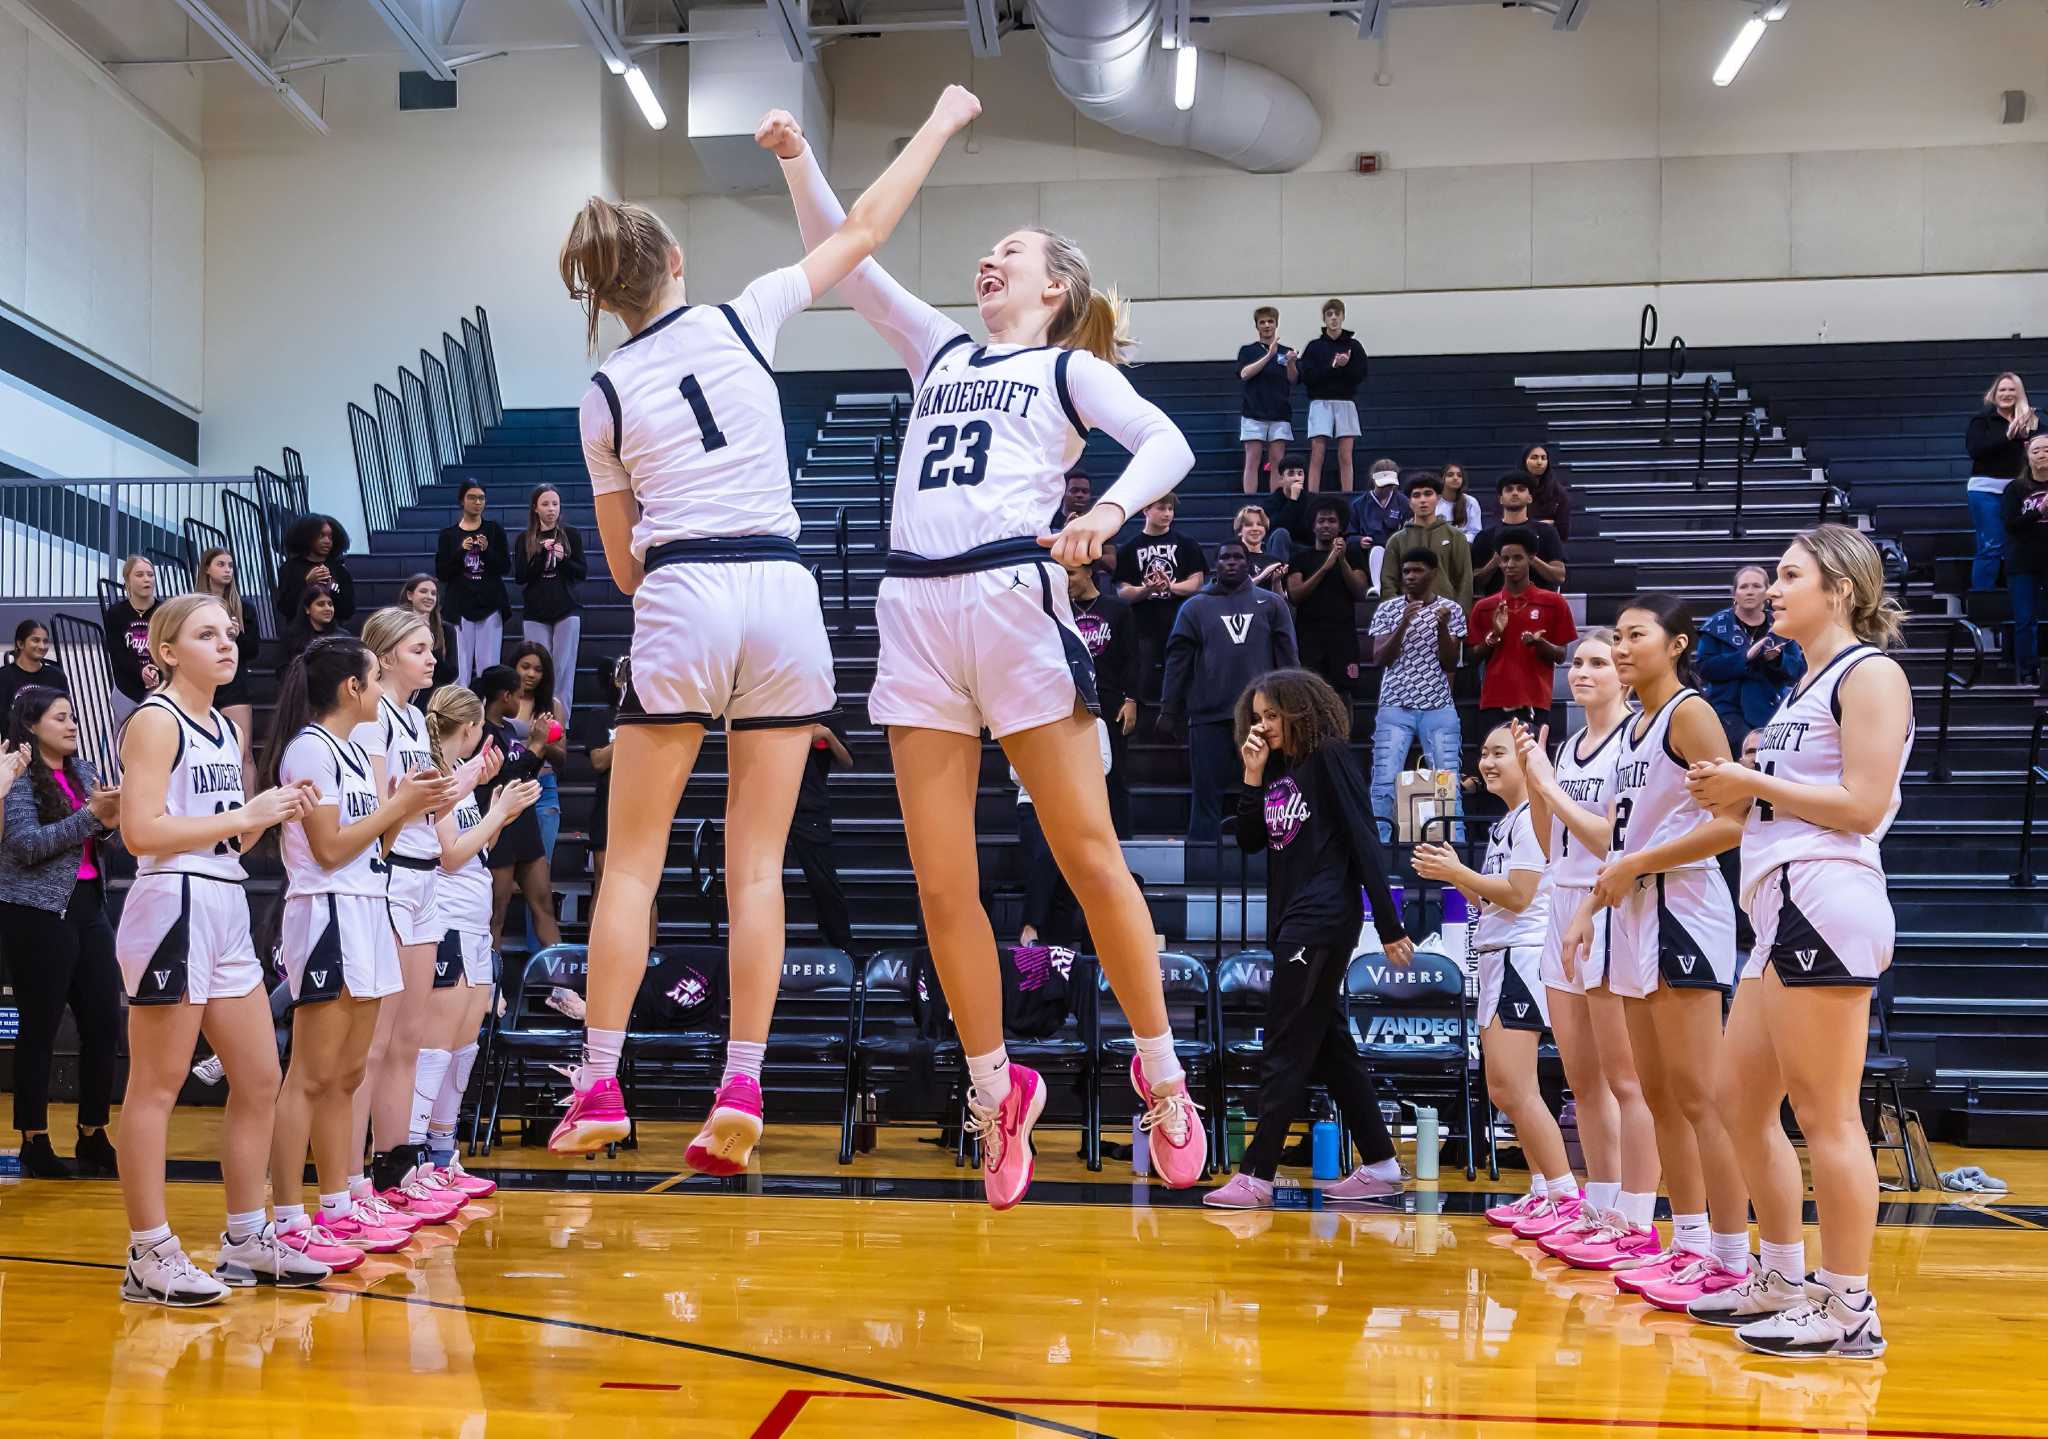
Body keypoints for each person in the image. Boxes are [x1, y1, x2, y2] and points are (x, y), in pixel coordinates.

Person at [768, 102, 1211, 1207]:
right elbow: (849, 258)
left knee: (1087, 855)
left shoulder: (1065, 370)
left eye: (1007, 251)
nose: (987, 260)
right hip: (914, 609)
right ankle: (991, 1087)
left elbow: (1170, 439)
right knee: (938, 881)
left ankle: (1161, 1074)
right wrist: (797, 158)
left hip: (1014, 597)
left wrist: (1104, 511)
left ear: (1052, 286)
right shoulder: (939, 345)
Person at [549, 91, 977, 1182]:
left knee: (632, 863)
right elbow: (865, 229)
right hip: (784, 593)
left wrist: (671, 627)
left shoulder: (601, 391)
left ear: (603, 291)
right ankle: (740, 1077)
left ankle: (598, 1077)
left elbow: (620, 561)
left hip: (685, 584)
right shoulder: (744, 314)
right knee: (758, 865)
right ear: (676, 258)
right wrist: (918, 125)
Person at [1681, 525, 1913, 1358]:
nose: (1772, 590)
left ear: (1841, 588)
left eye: (1789, 575)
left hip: (1829, 894)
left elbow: (1860, 803)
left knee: (1826, 1115)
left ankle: (1850, 1303)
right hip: (1777, 904)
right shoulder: (1801, 683)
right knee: (1737, 1100)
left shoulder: (1871, 673)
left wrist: (1750, 779)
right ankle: (1780, 1273)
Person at [111, 594, 323, 1305]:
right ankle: (147, 1252)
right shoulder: (154, 719)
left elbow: (225, 835)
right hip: (172, 900)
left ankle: (244, 1237)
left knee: (260, 1078)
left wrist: (275, 809)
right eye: (206, 634)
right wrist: (245, 812)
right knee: (158, 1085)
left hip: (224, 897)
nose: (226, 644)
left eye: (229, 632)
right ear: (167, 650)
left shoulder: (223, 728)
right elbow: (140, 831)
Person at [1554, 595, 1751, 1309]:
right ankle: (1690, 1243)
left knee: (1701, 1096)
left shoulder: (1689, 712)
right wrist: (1588, 906)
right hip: (1635, 910)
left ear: (1677, 644)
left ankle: (1733, 1256)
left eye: (1636, 635)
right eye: (1618, 636)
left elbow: (1733, 820)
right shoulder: (1636, 725)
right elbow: (1621, 839)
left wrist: (1637, 865)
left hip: (1685, 908)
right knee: (1661, 1094)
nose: (1624, 647)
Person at [264, 635, 457, 1268]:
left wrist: (408, 806)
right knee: (310, 1077)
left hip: (366, 908)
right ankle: (287, 1218)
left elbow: (366, 841)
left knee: (347, 1076)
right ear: (352, 688)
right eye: (374, 678)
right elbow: (328, 848)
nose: (379, 691)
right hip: (326, 914)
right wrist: (397, 807)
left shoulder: (346, 750)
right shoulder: (308, 751)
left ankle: (338, 1204)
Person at [1204, 669, 1414, 1208]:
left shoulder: (1331, 758)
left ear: (1303, 711)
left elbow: (1366, 839)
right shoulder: (1277, 770)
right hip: (1291, 920)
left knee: (1285, 1041)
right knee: (1328, 1044)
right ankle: (1382, 1163)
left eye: (1273, 715)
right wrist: (1251, 777)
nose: (1265, 726)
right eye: (1257, 717)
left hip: (1322, 917)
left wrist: (1389, 926)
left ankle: (1257, 1175)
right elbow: (1251, 840)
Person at [1512, 631, 1661, 1255]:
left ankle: (1638, 1212)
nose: (1583, 671)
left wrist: (1548, 789)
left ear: (1623, 676)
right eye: (1577, 662)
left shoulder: (1631, 744)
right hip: (1560, 900)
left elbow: (1612, 843)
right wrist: (1534, 777)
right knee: (1583, 1082)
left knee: (1627, 1081)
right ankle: (1599, 1205)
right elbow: (1551, 845)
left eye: (1598, 662)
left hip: (1608, 903)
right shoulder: (1569, 745)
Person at [1414, 725, 1580, 1224]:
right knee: (1502, 1089)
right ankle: (1539, 1187)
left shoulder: (1534, 819)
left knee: (1517, 1088)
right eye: (1483, 753)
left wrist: (1457, 873)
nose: (1486, 762)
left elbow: (1520, 895)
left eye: (1498, 753)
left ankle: (1565, 1195)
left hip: (1520, 956)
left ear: (1527, 761)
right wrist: (1459, 878)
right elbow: (1491, 897)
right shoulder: (1508, 822)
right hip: (1496, 952)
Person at [348, 607, 478, 1225]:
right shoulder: (372, 720)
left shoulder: (410, 720)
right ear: (386, 654)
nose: (432, 659)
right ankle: (354, 1182)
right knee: (374, 1045)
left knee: (408, 1039)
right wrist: (428, 794)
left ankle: (400, 1166)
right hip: (393, 873)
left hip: (427, 876)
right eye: (420, 649)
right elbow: (380, 815)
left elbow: (421, 807)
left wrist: (457, 787)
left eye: (432, 648)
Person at [0, 688, 121, 1180]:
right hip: (36, 912)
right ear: (32, 726)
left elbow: (100, 837)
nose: (72, 726)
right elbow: (26, 845)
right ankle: (33, 1138)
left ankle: (93, 1132)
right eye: (61, 718)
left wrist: (110, 820)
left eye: (73, 717)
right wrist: (91, 817)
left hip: (90, 906)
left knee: (103, 1023)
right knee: (40, 1026)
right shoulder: (18, 778)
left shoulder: (86, 771)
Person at [426, 684, 541, 1194]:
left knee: (463, 1049)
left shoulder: (464, 784)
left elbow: (475, 851)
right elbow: (449, 855)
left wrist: (499, 813)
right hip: (445, 922)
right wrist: (496, 814)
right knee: (435, 1048)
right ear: (471, 729)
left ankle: (443, 1153)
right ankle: (417, 1159)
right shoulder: (438, 780)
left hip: (472, 924)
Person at [1162, 541, 1299, 842]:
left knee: (1269, 790)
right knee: (1206, 796)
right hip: (1209, 714)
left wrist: (1293, 707)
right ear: (1215, 565)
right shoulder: (1195, 606)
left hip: (1259, 719)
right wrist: (1168, 709)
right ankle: (1201, 863)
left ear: (1249, 564)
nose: (1232, 562)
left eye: (1238, 557)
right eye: (1225, 558)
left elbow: (1288, 660)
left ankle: (1272, 855)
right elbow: (1178, 662)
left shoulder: (1272, 603)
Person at [1366, 550, 1467, 843]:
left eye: (1417, 571)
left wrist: (1442, 626)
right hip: (1395, 704)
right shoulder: (1389, 609)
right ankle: (1378, 849)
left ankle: (1455, 848)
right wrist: (1404, 623)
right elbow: (1380, 658)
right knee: (1384, 780)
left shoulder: (1451, 610)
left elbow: (1450, 662)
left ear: (1433, 573)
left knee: (1447, 781)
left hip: (1438, 704)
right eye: (1406, 571)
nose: (1410, 577)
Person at [474, 665, 560, 956]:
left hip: (524, 823)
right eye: (519, 696)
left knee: (544, 903)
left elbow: (526, 774)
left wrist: (538, 745)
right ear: (505, 695)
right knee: (496, 913)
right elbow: (502, 777)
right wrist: (535, 744)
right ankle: (490, 992)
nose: (521, 703)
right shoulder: (481, 732)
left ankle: (561, 989)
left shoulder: (508, 729)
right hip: (499, 825)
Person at [1468, 528, 1578, 738]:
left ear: (1530, 559)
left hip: (1534, 699)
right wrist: (1494, 637)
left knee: (1531, 766)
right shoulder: (1484, 606)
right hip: (1493, 700)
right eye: (1505, 559)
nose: (1510, 564)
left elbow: (1561, 655)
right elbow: (1472, 657)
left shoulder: (1554, 603)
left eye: (1517, 558)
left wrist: (1540, 643)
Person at [1012, 719, 1111, 950]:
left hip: (1076, 805)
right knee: (1047, 853)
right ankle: (1030, 926)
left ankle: (1059, 951)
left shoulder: (1095, 724)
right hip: (1034, 803)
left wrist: (1056, 766)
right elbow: (1015, 772)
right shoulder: (1029, 719)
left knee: (1068, 876)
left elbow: (1104, 765)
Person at [1114, 493, 1208, 705]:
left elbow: (1197, 583)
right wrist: (1147, 590)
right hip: (1143, 624)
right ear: (1145, 510)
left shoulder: (1187, 544)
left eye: (1170, 509)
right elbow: (1123, 591)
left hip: (1179, 622)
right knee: (1143, 675)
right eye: (1161, 508)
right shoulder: (1129, 548)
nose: (1167, 514)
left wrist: (1169, 586)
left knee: (1180, 675)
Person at [1068, 560, 1139, 838]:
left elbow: (1132, 658)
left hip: (1110, 700)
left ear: (1089, 573)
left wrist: (1131, 698)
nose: (1067, 580)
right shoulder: (1059, 611)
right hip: (1070, 701)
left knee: (1116, 772)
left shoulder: (1117, 609)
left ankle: (1121, 838)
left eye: (1071, 573)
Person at [1698, 565, 1807, 745]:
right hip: (1726, 713)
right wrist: (1745, 657)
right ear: (1734, 593)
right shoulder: (1716, 626)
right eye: (1744, 587)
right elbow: (1705, 668)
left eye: (1756, 586)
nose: (1750, 592)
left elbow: (1797, 671)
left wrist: (1777, 660)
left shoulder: (1782, 624)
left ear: (1767, 592)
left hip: (1772, 711)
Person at [1285, 498, 1370, 705]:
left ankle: (1342, 738)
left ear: (1340, 526)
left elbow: (1360, 592)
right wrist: (1325, 566)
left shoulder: (1353, 555)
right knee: (1309, 695)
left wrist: (1340, 561)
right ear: (1313, 525)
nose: (1325, 525)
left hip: (1343, 637)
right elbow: (1295, 595)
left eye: (1331, 521)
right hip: (1309, 637)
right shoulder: (1300, 558)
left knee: (1342, 696)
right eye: (1321, 521)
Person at [518, 485, 588, 719]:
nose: (551, 509)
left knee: (563, 669)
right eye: (545, 504)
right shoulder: (524, 539)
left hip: (566, 609)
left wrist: (563, 559)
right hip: (536, 611)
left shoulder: (571, 535)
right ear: (535, 509)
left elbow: (581, 573)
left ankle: (561, 723)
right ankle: (535, 717)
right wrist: (540, 556)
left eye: (555, 504)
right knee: (536, 666)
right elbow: (520, 577)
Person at [789, 718, 856, 955]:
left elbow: (848, 759)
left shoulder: (827, 707)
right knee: (761, 877)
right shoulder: (775, 699)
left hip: (810, 807)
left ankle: (841, 950)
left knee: (823, 882)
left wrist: (827, 736)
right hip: (771, 803)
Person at [1965, 372, 2038, 591]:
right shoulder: (1982, 421)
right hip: (1985, 490)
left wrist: (2027, 432)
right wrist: (2008, 435)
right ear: (1994, 394)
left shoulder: (2033, 422)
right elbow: (1976, 450)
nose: (2006, 394)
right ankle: (1983, 601)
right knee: (1991, 545)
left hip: (2019, 490)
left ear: (2020, 393)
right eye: (2002, 390)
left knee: (2022, 545)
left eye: (2011, 389)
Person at [436, 482, 512, 686]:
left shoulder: (494, 530)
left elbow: (505, 567)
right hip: (460, 606)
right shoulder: (448, 535)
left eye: (481, 498)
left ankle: (486, 712)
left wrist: (487, 550)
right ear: (462, 500)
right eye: (472, 497)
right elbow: (443, 572)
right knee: (461, 668)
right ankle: (461, 713)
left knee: (489, 667)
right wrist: (461, 550)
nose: (477, 502)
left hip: (490, 603)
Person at [195, 548, 258, 793]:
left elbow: (253, 651)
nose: (227, 570)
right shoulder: (194, 608)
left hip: (234, 684)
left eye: (230, 566)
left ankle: (251, 818)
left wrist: (235, 635)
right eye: (221, 564)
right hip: (202, 684)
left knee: (244, 752)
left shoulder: (244, 607)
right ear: (207, 569)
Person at [508, 641, 569, 865]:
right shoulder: (499, 701)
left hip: (544, 789)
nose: (531, 674)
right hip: (508, 788)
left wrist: (541, 742)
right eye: (525, 666)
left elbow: (562, 758)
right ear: (514, 667)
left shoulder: (553, 706)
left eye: (538, 669)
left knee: (540, 869)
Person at [1297, 300, 1367, 493]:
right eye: (1330, 314)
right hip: (1320, 402)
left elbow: (1360, 375)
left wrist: (1347, 366)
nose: (1334, 318)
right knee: (1317, 453)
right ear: (1324, 318)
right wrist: (1333, 367)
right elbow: (1308, 377)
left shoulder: (1354, 346)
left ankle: (1348, 495)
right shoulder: (1314, 347)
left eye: (1337, 314)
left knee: (1345, 455)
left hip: (1345, 402)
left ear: (1343, 316)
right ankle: (1312, 495)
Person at [1378, 472, 1472, 612]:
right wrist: (1396, 615)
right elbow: (1388, 582)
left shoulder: (1456, 536)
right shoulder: (1396, 540)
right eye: (1416, 495)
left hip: (1446, 614)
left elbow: (1465, 580)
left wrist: (1460, 617)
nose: (1423, 500)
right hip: (1408, 616)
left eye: (1428, 494)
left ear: (1438, 498)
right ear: (1409, 502)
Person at [2001, 432, 2048, 685]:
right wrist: (2039, 511)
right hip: (2022, 562)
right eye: (2037, 450)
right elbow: (2011, 525)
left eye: (2047, 450)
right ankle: (2028, 671)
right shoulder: (2015, 489)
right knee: (2025, 620)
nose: (2042, 455)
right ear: (2028, 457)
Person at [1472, 473, 1566, 597]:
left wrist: (1531, 558)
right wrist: (1494, 563)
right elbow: (1473, 582)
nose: (1515, 493)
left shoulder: (1547, 532)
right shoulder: (1485, 536)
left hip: (1539, 607)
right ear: (1500, 499)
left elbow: (1559, 576)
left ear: (1530, 498)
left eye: (1521, 489)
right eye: (1509, 489)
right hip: (1498, 606)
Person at [1237, 306, 1297, 495]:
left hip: (1279, 414)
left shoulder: (1286, 351)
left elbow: (1293, 379)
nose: (1267, 325)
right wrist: (1269, 355)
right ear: (1257, 326)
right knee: (1252, 460)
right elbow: (1244, 374)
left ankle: (1275, 502)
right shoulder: (1247, 351)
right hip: (1253, 413)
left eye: (1270, 321)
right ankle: (1249, 504)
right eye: (1262, 322)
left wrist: (1292, 363)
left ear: (1276, 324)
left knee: (1277, 462)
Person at [101, 555, 161, 729]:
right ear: (127, 580)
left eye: (150, 575)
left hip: (158, 688)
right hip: (126, 690)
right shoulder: (116, 613)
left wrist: (156, 672)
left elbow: (171, 649)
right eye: (140, 575)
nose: (146, 579)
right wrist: (140, 670)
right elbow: (117, 652)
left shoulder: (165, 611)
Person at [275, 515, 358, 631]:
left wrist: (331, 588)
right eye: (321, 536)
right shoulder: (290, 568)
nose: (327, 541)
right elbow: (285, 607)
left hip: (333, 632)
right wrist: (306, 583)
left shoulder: (339, 570)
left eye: (330, 537)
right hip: (300, 634)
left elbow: (348, 610)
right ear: (307, 538)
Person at [399, 574, 459, 692]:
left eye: (433, 593)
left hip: (433, 695)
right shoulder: (396, 626)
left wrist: (430, 647)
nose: (429, 597)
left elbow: (451, 674)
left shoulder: (447, 629)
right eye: (423, 591)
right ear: (410, 595)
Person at [0, 619, 67, 719]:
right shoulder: (4, 676)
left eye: (45, 641)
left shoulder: (57, 675)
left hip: (51, 733)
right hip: (15, 734)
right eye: (35, 640)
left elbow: (66, 713)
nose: (42, 646)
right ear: (20, 644)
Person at [1349, 458, 1406, 554]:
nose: (1386, 489)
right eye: (1382, 485)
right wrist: (1359, 540)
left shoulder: (1404, 503)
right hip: (1367, 554)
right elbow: (1349, 535)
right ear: (1373, 479)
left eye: (1390, 485)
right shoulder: (1358, 505)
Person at [1517, 444, 1572, 543]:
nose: (1539, 462)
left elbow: (1563, 533)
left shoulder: (1558, 492)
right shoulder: (1512, 489)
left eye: (1543, 458)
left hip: (1549, 546)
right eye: (1534, 458)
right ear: (1524, 461)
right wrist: (1542, 525)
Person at [278, 584, 342, 667]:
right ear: (307, 609)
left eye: (330, 604)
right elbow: (282, 670)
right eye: (321, 604)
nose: (328, 608)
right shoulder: (291, 637)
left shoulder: (342, 636)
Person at [1266, 454, 1317, 548]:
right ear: (1281, 479)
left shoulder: (1312, 500)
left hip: (1307, 548)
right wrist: (1293, 500)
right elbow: (1279, 528)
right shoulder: (1272, 502)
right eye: (1291, 474)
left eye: (1300, 474)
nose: (1296, 478)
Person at [1234, 504, 1291, 586]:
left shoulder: (1274, 562)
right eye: (1249, 525)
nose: (1255, 528)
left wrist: (1276, 582)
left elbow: (1280, 598)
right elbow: (1237, 591)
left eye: (1259, 524)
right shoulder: (1233, 559)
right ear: (1239, 531)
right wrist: (1264, 574)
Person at [1439, 462, 1483, 541]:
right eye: (1450, 475)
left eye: (1459, 475)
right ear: (1442, 478)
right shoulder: (1434, 501)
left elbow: (1475, 532)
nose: (1455, 478)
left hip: (1463, 546)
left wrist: (1456, 542)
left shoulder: (1471, 502)